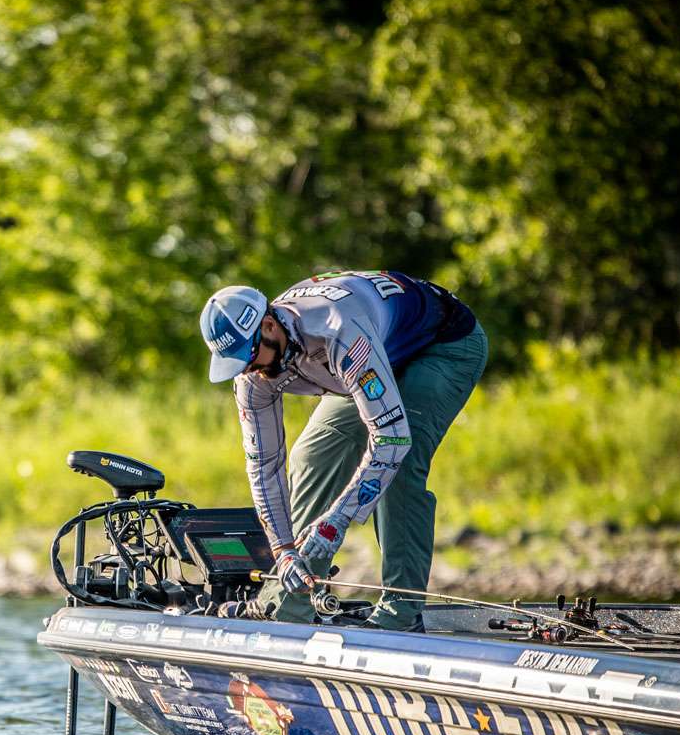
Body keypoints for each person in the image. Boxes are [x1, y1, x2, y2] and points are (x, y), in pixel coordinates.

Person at [199, 270, 487, 630]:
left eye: (251, 357)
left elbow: (391, 440)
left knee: (398, 468)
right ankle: (288, 605)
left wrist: (335, 522)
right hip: (370, 355)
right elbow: (263, 467)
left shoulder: (336, 331)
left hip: (439, 346)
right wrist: (283, 551)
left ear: (269, 325)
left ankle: (400, 615)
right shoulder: (251, 374)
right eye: (238, 364)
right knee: (311, 457)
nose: (251, 371)